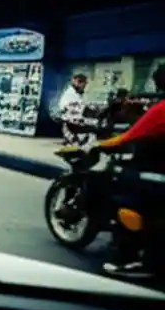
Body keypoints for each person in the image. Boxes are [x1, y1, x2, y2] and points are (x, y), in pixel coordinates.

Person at [99, 65, 165, 279]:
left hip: (157, 175)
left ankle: (133, 259)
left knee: (125, 200)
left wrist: (100, 145)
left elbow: (127, 138)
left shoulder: (160, 109)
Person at [56, 73, 96, 145]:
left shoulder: (76, 94)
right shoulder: (70, 94)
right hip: (71, 124)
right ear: (78, 82)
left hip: (74, 122)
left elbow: (82, 106)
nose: (84, 87)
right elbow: (77, 110)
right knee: (93, 131)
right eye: (83, 85)